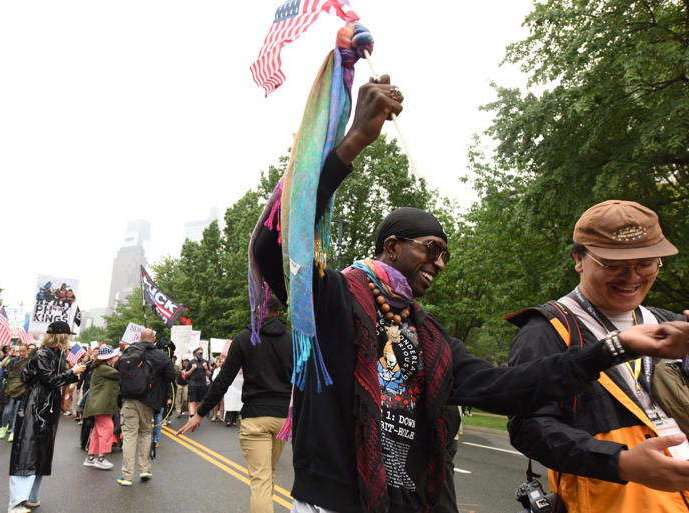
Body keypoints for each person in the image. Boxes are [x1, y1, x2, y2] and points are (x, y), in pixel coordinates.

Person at [251, 76, 689, 513]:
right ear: (392, 247)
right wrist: (354, 142)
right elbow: (276, 242)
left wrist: (613, 347)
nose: (440, 264)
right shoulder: (334, 298)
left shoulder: (429, 336)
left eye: (445, 255)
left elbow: (508, 386)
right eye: (432, 249)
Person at [506, 200, 689, 512]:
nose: (632, 277)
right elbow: (528, 429)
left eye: (646, 263)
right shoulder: (546, 332)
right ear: (579, 258)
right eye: (613, 264)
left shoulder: (670, 324)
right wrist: (620, 462)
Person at [178, 293, 293, 513]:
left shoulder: (244, 338)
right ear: (278, 312)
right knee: (268, 475)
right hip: (281, 418)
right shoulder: (291, 340)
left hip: (255, 417)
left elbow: (223, 380)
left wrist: (200, 413)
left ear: (257, 311)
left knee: (260, 481)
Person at [8, 321, 86, 513]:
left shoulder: (57, 354)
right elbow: (50, 379)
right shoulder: (42, 354)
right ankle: (17, 502)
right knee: (26, 451)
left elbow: (56, 379)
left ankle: (31, 497)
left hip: (47, 407)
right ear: (60, 337)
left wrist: (75, 373)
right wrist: (72, 372)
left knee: (41, 453)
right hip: (35, 406)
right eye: (67, 336)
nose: (69, 340)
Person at [116, 328, 176, 486]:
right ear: (154, 339)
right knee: (145, 433)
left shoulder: (130, 351)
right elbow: (171, 376)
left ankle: (127, 475)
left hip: (129, 398)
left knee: (129, 435)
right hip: (149, 400)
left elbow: (117, 368)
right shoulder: (160, 355)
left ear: (139, 337)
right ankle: (144, 469)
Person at [82, 344, 119, 471]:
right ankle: (101, 458)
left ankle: (91, 457)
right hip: (100, 405)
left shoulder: (100, 367)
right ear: (109, 358)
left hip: (97, 405)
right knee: (107, 429)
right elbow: (120, 374)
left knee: (98, 432)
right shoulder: (104, 368)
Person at [0, 344, 30, 442]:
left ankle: (13, 431)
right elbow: (6, 372)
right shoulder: (13, 361)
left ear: (27, 351)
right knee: (7, 410)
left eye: (24, 351)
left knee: (17, 411)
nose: (22, 353)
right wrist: (14, 376)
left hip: (23, 390)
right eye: (20, 351)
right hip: (12, 389)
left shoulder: (29, 362)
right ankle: (3, 427)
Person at [185, 346, 211, 417]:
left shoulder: (205, 362)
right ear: (195, 354)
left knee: (199, 402)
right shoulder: (191, 362)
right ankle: (191, 416)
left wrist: (206, 368)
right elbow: (186, 374)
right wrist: (192, 368)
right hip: (193, 384)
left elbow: (209, 374)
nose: (200, 354)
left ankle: (195, 416)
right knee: (192, 401)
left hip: (202, 384)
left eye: (201, 353)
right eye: (199, 353)